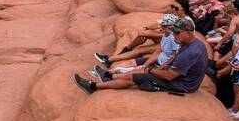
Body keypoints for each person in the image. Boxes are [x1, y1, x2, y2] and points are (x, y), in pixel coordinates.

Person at [75, 17, 209, 95]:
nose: (174, 35)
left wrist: (151, 70)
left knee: (132, 77)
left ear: (188, 33)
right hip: (181, 79)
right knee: (141, 69)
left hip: (181, 85)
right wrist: (158, 67)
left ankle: (93, 87)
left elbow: (169, 76)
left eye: (177, 33)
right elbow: (173, 59)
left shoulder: (190, 51)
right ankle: (109, 76)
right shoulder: (191, 43)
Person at [92, 14, 183, 79]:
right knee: (131, 63)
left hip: (161, 64)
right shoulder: (166, 33)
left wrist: (157, 69)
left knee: (134, 69)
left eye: (164, 25)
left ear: (171, 26)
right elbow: (157, 52)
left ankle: (108, 76)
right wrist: (145, 64)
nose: (161, 27)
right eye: (162, 25)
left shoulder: (174, 38)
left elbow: (173, 57)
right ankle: (106, 72)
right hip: (159, 58)